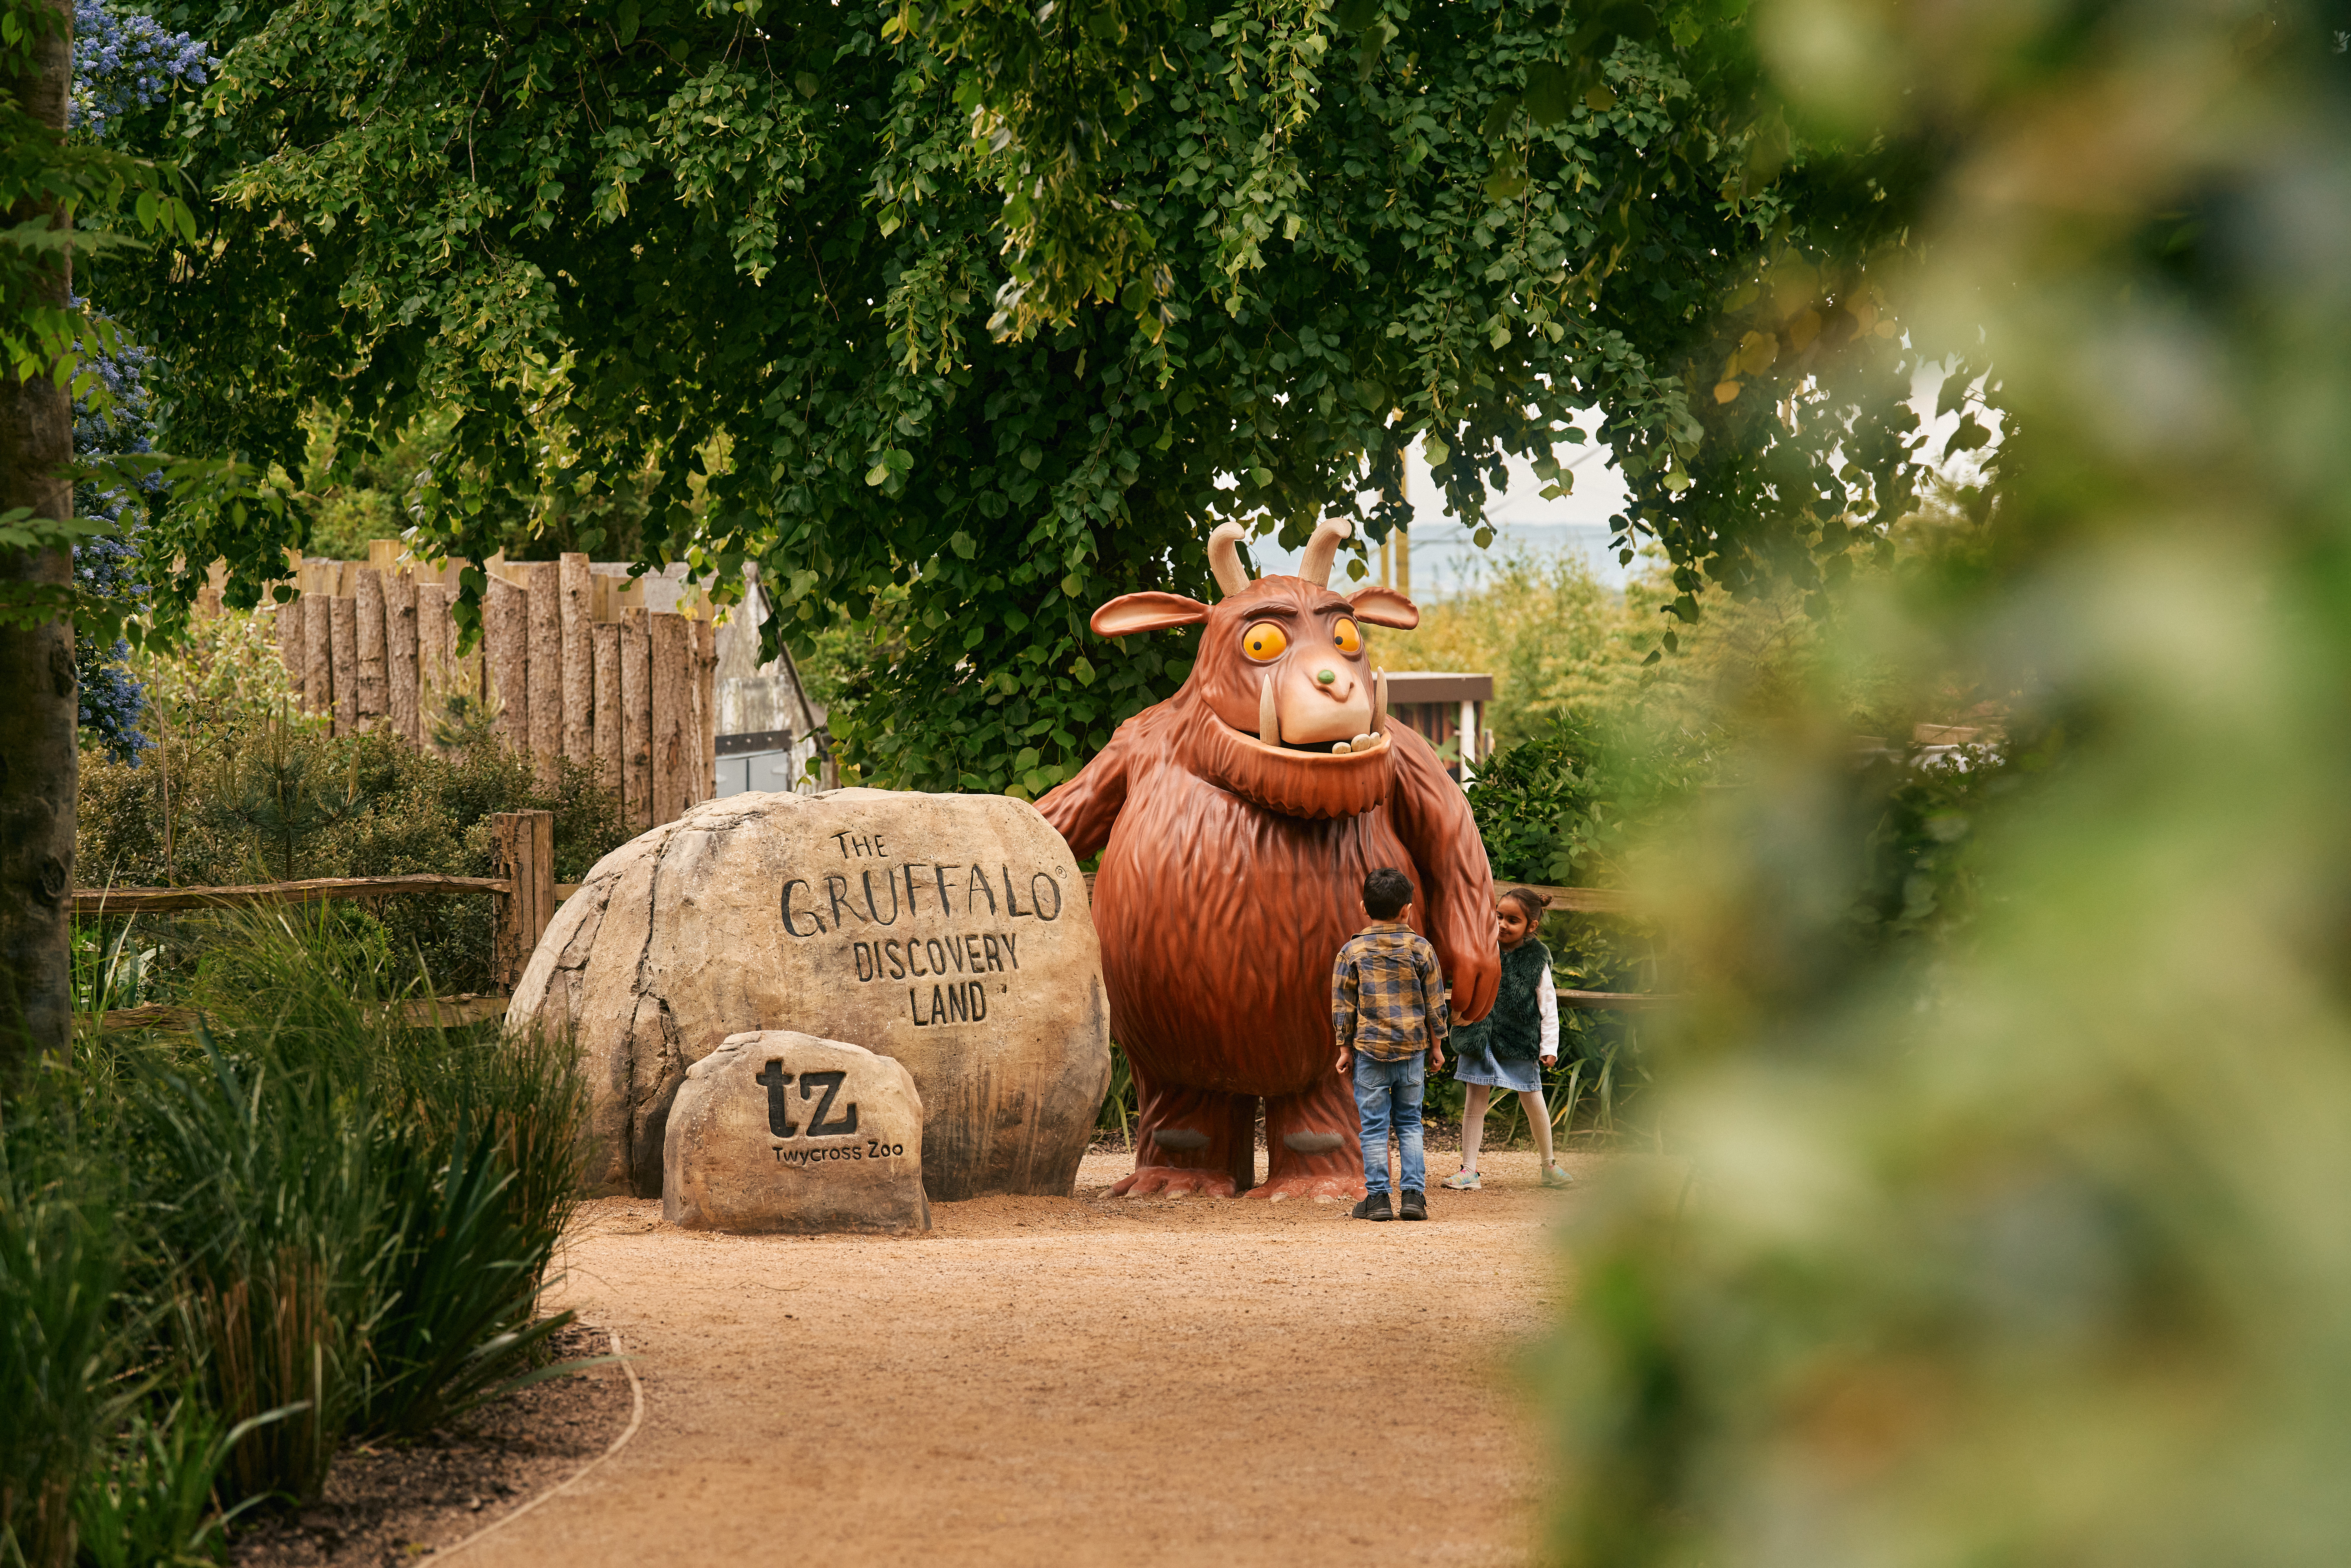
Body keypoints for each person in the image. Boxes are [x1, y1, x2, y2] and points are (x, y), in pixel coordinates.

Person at [1331, 866, 1449, 1221]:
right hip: (1412, 1050)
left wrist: (1343, 1047)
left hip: (1369, 1051)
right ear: (1407, 910)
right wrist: (1437, 1045)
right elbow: (1435, 1002)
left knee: (1373, 1128)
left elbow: (1342, 1005)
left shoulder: (1351, 952)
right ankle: (1413, 1197)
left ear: (1364, 907)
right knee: (1410, 1124)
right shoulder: (1421, 949)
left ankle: (1378, 1199)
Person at [1440, 887, 1574, 1190]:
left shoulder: (1537, 958)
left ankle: (1548, 1165)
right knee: (1475, 1101)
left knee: (1532, 1097)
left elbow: (1548, 1005)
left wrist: (1549, 1047)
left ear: (1532, 926)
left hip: (1518, 1040)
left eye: (1512, 920)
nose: (1502, 924)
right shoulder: (1481, 947)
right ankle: (1469, 1171)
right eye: (1498, 916)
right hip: (1479, 1037)